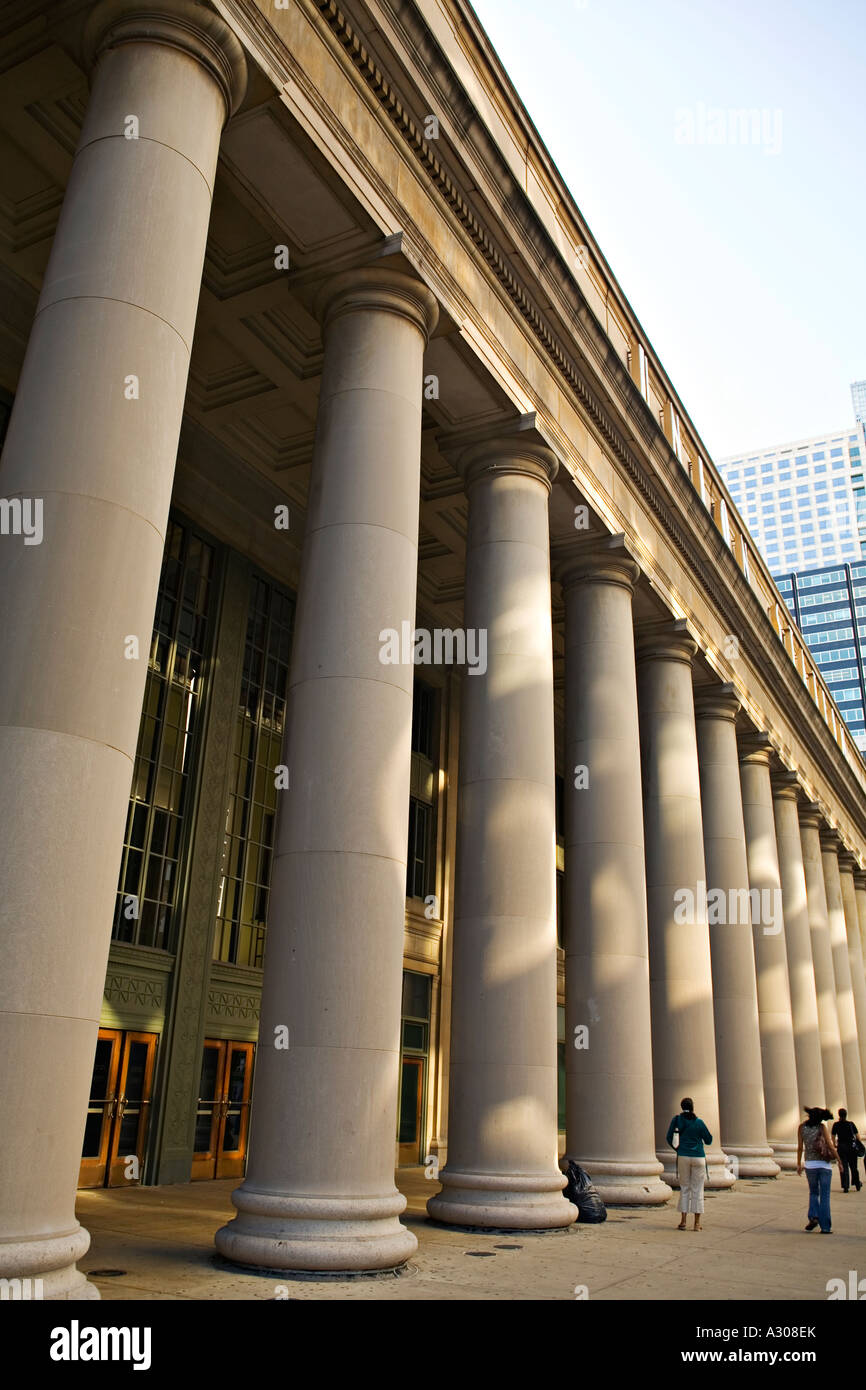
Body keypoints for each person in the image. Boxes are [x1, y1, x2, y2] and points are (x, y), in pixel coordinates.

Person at [666, 1097, 713, 1232]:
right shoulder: (699, 1122)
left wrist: (679, 1149)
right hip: (698, 1156)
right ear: (693, 1106)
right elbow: (709, 1140)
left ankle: (683, 1221)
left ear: (681, 1107)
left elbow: (669, 1137)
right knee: (698, 1189)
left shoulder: (677, 1120)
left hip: (683, 1156)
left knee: (684, 1187)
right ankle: (697, 1224)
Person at [797, 1107, 838, 1233]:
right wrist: (839, 1160)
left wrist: (799, 1164)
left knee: (814, 1192)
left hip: (810, 1165)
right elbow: (830, 1146)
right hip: (824, 1166)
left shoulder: (801, 1128)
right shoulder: (821, 1128)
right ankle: (825, 1227)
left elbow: (800, 1147)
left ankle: (813, 1216)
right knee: (825, 1196)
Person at [831, 1108, 862, 1193]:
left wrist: (834, 1145)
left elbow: (833, 1137)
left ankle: (845, 1186)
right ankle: (857, 1184)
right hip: (851, 1147)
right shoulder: (851, 1124)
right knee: (854, 1167)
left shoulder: (836, 1125)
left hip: (841, 1147)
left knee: (843, 1167)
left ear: (839, 1115)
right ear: (846, 1114)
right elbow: (858, 1137)